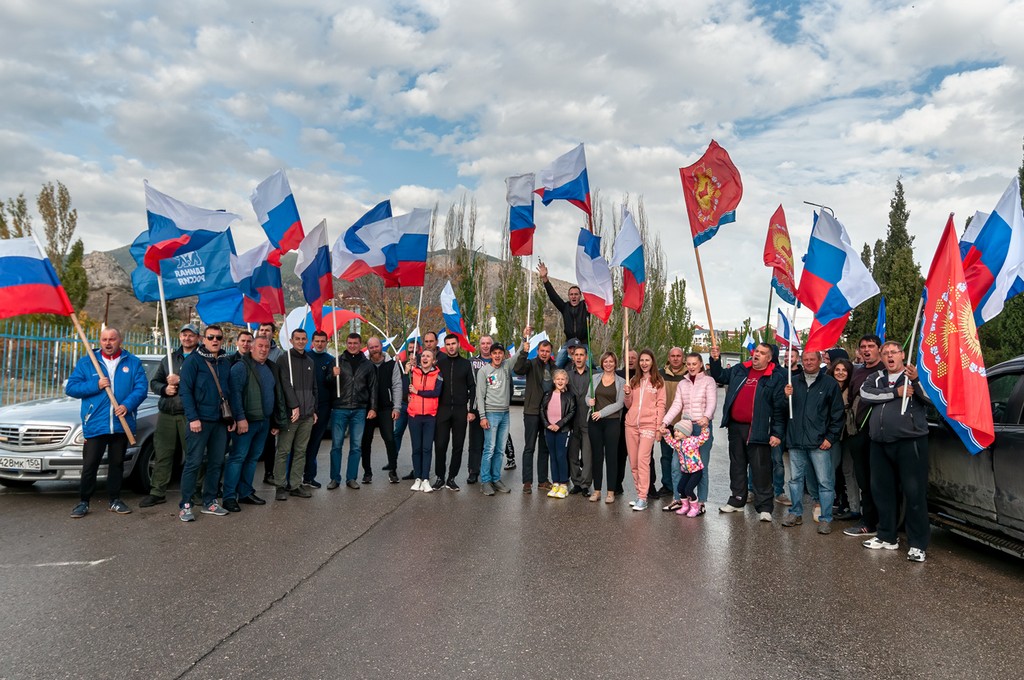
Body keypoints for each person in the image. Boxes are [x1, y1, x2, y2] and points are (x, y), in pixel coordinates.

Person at [859, 341, 931, 562]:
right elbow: (866, 395)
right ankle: (887, 536)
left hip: (910, 442)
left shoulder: (915, 376)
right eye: (886, 353)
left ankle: (918, 544)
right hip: (879, 443)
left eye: (894, 353)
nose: (890, 356)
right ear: (881, 357)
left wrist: (917, 381)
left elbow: (931, 399)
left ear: (902, 355)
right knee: (882, 491)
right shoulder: (875, 378)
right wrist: (896, 392)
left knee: (914, 493)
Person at [65, 327, 148, 518]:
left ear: (120, 340)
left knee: (117, 463)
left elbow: (141, 388)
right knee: (90, 464)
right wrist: (96, 385)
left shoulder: (132, 362)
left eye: (112, 339)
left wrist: (127, 405)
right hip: (96, 423)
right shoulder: (88, 363)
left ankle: (115, 500)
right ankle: (83, 502)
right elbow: (72, 388)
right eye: (104, 339)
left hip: (121, 423)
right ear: (100, 341)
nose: (108, 343)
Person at [709, 343, 786, 522]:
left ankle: (765, 507)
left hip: (759, 429)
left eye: (762, 353)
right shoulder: (740, 369)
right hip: (736, 427)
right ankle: (736, 501)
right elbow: (719, 375)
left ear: (769, 358)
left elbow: (778, 410)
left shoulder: (775, 377)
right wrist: (715, 359)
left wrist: (777, 434)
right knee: (737, 466)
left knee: (761, 470)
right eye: (756, 351)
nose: (757, 354)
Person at [780, 350, 845, 535]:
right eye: (805, 359)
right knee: (795, 481)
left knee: (825, 482)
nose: (808, 362)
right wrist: (786, 398)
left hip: (819, 443)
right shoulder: (793, 382)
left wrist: (830, 438)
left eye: (812, 359)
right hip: (796, 441)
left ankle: (825, 519)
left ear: (819, 361)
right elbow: (782, 411)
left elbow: (837, 414)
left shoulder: (829, 383)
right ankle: (795, 513)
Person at [178, 325, 236, 522]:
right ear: (203, 339)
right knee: (193, 463)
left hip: (219, 422)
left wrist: (231, 418)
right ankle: (185, 505)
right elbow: (185, 391)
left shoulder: (225, 362)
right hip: (199, 421)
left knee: (216, 463)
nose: (215, 340)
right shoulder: (193, 361)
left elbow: (230, 392)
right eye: (210, 337)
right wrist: (193, 418)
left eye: (218, 337)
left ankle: (210, 501)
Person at [140, 323, 199, 508]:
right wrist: (165, 388)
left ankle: (196, 491)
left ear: (197, 338)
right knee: (162, 454)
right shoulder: (170, 359)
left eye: (191, 335)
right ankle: (157, 491)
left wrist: (180, 381)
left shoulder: (201, 359)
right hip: (167, 412)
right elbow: (154, 382)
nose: (187, 338)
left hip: (188, 414)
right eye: (184, 335)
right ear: (180, 337)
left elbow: (204, 385)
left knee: (194, 455)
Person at [223, 335, 277, 511]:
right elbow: (235, 394)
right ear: (251, 348)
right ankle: (229, 496)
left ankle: (245, 492)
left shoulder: (268, 367)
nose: (263, 349)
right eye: (260, 346)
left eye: (266, 347)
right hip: (247, 422)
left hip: (264, 421)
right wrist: (240, 418)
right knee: (238, 457)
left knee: (252, 459)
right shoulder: (241, 367)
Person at [660, 352, 716, 515]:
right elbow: (677, 405)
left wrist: (706, 417)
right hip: (684, 428)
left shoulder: (708, 381)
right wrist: (664, 422)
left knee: (701, 467)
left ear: (700, 364)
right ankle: (679, 499)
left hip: (702, 426)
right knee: (677, 465)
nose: (691, 367)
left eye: (694, 364)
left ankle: (701, 502)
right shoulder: (683, 384)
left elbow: (711, 402)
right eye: (689, 364)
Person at [842, 335, 884, 538]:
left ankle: (884, 521)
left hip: (881, 435)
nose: (867, 350)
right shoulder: (857, 373)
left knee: (881, 481)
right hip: (858, 434)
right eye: (863, 347)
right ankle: (868, 521)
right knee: (864, 480)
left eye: (871, 346)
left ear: (879, 349)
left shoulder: (887, 371)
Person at [328, 332, 377, 490]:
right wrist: (331, 375)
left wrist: (373, 408)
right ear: (346, 343)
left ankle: (351, 478)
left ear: (360, 344)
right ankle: (335, 478)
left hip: (359, 409)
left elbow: (373, 388)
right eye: (349, 343)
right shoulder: (337, 361)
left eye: (355, 343)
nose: (352, 346)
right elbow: (326, 383)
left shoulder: (367, 364)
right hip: (339, 408)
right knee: (336, 445)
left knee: (356, 446)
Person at [273, 329, 318, 501]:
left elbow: (314, 388)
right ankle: (280, 485)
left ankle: (295, 484)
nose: (300, 341)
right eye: (297, 339)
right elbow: (284, 386)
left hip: (307, 415)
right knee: (283, 451)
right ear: (291, 340)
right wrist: (294, 406)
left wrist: (314, 410)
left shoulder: (309, 361)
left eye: (303, 339)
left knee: (301, 451)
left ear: (307, 341)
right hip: (292, 415)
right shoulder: (284, 359)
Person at [622, 349, 666, 511]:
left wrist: (658, 428)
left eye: (647, 360)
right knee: (633, 462)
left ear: (652, 362)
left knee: (642, 460)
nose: (644, 363)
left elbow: (661, 405)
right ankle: (639, 494)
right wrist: (627, 394)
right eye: (642, 360)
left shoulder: (658, 382)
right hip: (631, 425)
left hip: (648, 426)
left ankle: (643, 497)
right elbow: (628, 405)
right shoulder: (634, 380)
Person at [514, 327, 555, 494]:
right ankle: (527, 481)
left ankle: (543, 480)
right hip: (531, 411)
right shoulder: (530, 363)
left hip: (547, 413)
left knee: (544, 448)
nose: (544, 353)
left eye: (547, 351)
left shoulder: (554, 367)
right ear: (537, 351)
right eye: (542, 350)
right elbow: (517, 369)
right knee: (529, 447)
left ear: (550, 352)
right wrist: (524, 350)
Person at [432, 334, 475, 491]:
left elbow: (473, 387)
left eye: (453, 343)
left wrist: (471, 410)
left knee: (458, 446)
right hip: (442, 410)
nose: (451, 346)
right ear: (445, 346)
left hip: (460, 410)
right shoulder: (439, 364)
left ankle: (451, 478)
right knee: (441, 445)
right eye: (448, 344)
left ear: (458, 345)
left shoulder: (465, 364)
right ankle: (439, 477)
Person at [361, 336, 402, 484]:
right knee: (366, 441)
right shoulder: (364, 364)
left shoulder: (391, 364)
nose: (374, 350)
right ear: (368, 349)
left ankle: (393, 470)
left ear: (381, 346)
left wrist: (396, 407)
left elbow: (397, 385)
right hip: (368, 408)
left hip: (386, 407)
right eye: (371, 347)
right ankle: (367, 472)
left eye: (376, 346)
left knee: (390, 439)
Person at [587, 352, 625, 503]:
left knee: (611, 457)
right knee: (596, 456)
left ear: (615, 363)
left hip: (612, 422)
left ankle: (610, 492)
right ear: (602, 363)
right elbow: (587, 396)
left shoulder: (621, 381)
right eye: (605, 361)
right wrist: (588, 401)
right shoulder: (595, 377)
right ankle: (597, 491)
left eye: (611, 361)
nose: (608, 364)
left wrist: (601, 413)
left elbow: (619, 403)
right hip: (594, 422)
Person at [476, 343, 514, 495]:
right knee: (489, 449)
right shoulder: (483, 371)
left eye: (500, 353)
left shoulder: (506, 367)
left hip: (505, 414)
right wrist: (482, 416)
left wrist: (525, 337)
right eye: (495, 353)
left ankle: (496, 479)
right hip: (490, 414)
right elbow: (480, 395)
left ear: (504, 355)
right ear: (490, 355)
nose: (497, 356)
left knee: (499, 450)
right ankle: (485, 481)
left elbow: (518, 354)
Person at [538, 261, 591, 368]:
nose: (573, 296)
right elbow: (553, 297)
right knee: (556, 366)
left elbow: (595, 295)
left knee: (590, 366)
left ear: (580, 296)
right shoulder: (565, 307)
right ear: (568, 296)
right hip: (569, 344)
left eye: (576, 294)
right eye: (571, 294)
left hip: (584, 344)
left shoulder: (587, 306)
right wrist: (545, 279)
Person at [302, 330, 335, 488]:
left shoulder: (331, 360)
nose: (320, 344)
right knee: (300, 443)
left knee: (314, 443)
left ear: (326, 342)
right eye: (317, 341)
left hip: (323, 406)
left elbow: (330, 384)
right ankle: (293, 477)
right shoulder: (305, 357)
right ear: (312, 342)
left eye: (323, 341)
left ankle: (309, 476)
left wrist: (334, 376)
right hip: (306, 405)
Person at [829, 358, 861, 520]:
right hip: (831, 436)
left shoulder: (853, 389)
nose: (840, 373)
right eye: (837, 369)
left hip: (848, 434)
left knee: (849, 471)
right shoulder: (826, 387)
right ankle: (831, 504)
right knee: (831, 470)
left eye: (844, 370)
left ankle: (854, 508)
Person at [408, 348, 443, 491]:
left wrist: (418, 392)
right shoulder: (413, 371)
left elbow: (436, 392)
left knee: (427, 448)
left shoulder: (438, 374)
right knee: (416, 448)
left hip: (430, 416)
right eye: (423, 355)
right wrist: (406, 371)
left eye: (428, 356)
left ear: (434, 360)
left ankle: (425, 479)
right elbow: (406, 388)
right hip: (414, 416)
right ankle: (417, 478)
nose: (425, 358)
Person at [663, 420, 711, 518]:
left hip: (696, 471)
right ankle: (685, 506)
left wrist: (704, 428)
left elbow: (704, 437)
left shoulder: (693, 441)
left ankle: (694, 508)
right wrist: (667, 433)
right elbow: (670, 442)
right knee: (680, 488)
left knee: (688, 489)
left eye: (678, 431)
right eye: (675, 431)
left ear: (685, 432)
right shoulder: (678, 444)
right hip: (686, 471)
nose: (675, 433)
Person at [541, 369, 576, 499]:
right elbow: (542, 411)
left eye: (563, 379)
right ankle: (555, 483)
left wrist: (559, 424)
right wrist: (547, 425)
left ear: (566, 381)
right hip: (549, 429)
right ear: (554, 380)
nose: (560, 381)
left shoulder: (569, 396)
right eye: (558, 379)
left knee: (561, 456)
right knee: (553, 456)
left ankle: (564, 484)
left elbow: (571, 412)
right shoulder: (547, 395)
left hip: (563, 430)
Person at [658, 347, 688, 498]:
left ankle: (683, 487)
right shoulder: (660, 374)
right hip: (666, 423)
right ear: (668, 358)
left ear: (683, 357)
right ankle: (667, 485)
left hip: (684, 426)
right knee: (666, 457)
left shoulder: (689, 375)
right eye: (673, 356)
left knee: (683, 457)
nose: (676, 358)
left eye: (678, 356)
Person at [256, 321, 282, 484]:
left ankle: (269, 473)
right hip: (252, 406)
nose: (264, 332)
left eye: (267, 330)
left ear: (273, 333)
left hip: (269, 405)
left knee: (270, 443)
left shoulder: (278, 354)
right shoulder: (251, 351)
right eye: (262, 329)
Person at [565, 342, 592, 496]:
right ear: (572, 357)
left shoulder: (594, 375)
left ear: (586, 357)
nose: (579, 357)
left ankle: (585, 484)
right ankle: (576, 482)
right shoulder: (567, 375)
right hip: (572, 421)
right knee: (573, 454)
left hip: (588, 420)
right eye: (576, 355)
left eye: (582, 355)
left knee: (587, 455)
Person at [466, 335, 494, 484]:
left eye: (488, 343)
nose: (485, 346)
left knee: (490, 443)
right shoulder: (472, 362)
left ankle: (488, 471)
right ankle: (473, 471)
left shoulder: (498, 362)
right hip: (476, 408)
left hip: (493, 408)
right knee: (475, 442)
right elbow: (467, 386)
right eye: (483, 343)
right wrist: (469, 409)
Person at [615, 349, 638, 494]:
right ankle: (617, 484)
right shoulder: (617, 375)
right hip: (620, 420)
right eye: (628, 357)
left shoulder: (642, 375)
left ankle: (648, 487)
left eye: (633, 358)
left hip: (639, 420)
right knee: (620, 454)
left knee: (642, 457)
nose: (630, 360)